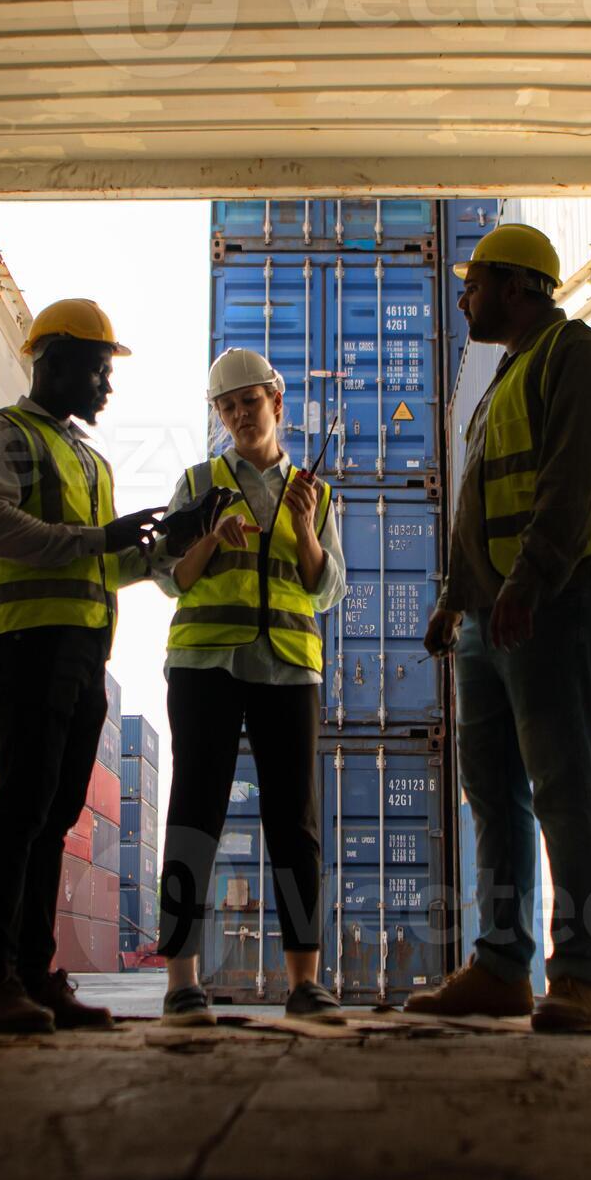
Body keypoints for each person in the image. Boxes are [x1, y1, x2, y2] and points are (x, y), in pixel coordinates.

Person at [408, 224, 591, 1034]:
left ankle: (577, 975)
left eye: (473, 283)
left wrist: (530, 580)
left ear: (516, 286)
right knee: (493, 792)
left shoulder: (579, 354)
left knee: (561, 783)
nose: (463, 296)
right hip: (493, 609)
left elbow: (572, 480)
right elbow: (479, 503)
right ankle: (503, 966)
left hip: (563, 596)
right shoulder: (497, 382)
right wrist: (453, 599)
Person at [0, 298, 164, 1035]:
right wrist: (98, 537)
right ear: (57, 360)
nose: (107, 388)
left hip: (79, 652)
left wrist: (169, 547)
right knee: (23, 804)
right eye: (100, 371)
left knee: (53, 817)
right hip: (23, 645)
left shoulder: (87, 458)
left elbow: (98, 558)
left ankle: (35, 978)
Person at [149, 349, 347, 1025]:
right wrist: (210, 539)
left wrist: (300, 528)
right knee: (193, 816)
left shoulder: (311, 493)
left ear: (276, 403)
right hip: (204, 666)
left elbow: (326, 588)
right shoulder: (198, 484)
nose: (238, 414)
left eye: (249, 401)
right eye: (226, 405)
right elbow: (167, 574)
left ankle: (305, 982)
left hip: (288, 669)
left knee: (295, 826)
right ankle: (182, 981)